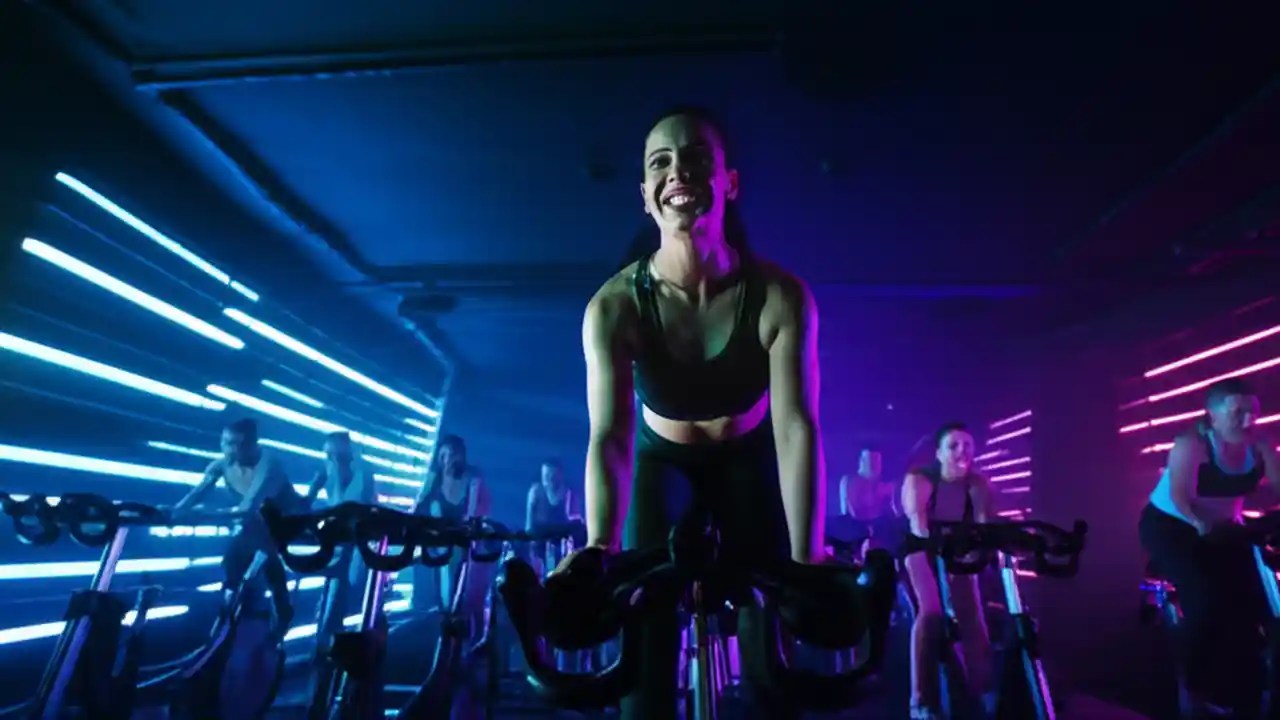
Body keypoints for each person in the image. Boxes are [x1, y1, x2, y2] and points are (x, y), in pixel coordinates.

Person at [571, 105, 826, 719]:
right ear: (646, 196)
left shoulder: (780, 297)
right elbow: (609, 436)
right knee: (645, 662)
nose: (677, 170)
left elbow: (795, 428)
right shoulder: (612, 308)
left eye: (695, 158)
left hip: (748, 460)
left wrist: (809, 558)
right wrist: (600, 543)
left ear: (728, 183)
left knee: (772, 666)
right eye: (661, 162)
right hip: (663, 469)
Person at [1140, 378, 1279, 715]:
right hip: (1172, 527)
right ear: (1213, 416)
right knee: (1205, 600)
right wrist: (1201, 525)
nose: (1248, 421)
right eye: (1237, 413)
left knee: (1258, 605)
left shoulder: (1260, 444)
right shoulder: (1192, 444)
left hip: (1224, 529)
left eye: (1253, 413)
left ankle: (1244, 688)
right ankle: (1194, 683)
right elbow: (1180, 497)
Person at [901, 422, 994, 720]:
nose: (962, 451)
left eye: (967, 445)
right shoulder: (920, 480)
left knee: (973, 618)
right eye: (953, 446)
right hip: (921, 550)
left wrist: (980, 550)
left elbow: (981, 525)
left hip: (956, 552)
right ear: (939, 453)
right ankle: (921, 702)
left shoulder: (977, 484)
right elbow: (919, 527)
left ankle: (980, 690)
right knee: (932, 613)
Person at [173, 418, 303, 629]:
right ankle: (245, 601)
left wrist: (213, 515)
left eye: (237, 445)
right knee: (248, 546)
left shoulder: (269, 464)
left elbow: (251, 502)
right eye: (225, 443)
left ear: (252, 445)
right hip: (254, 525)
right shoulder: (221, 465)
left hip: (286, 520)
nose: (230, 450)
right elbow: (197, 493)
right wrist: (175, 512)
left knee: (252, 540)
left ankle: (275, 605)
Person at [411, 434, 490, 616]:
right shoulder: (435, 479)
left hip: (464, 541)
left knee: (459, 580)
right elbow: (420, 504)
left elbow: (481, 510)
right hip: (438, 543)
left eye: (452, 454)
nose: (448, 460)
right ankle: (443, 613)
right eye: (443, 456)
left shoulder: (473, 479)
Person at [304, 432, 374, 619]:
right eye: (329, 454)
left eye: (336, 453)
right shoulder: (325, 469)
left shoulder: (364, 469)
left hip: (359, 529)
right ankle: (328, 617)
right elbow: (307, 499)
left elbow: (369, 501)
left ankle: (339, 615)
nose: (333, 458)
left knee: (353, 578)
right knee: (337, 573)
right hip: (336, 531)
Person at [525, 457, 577, 576]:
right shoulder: (536, 491)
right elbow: (529, 522)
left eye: (552, 475)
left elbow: (575, 521)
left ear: (560, 475)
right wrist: (530, 541)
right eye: (546, 476)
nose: (549, 480)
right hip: (539, 538)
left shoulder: (568, 493)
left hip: (560, 539)